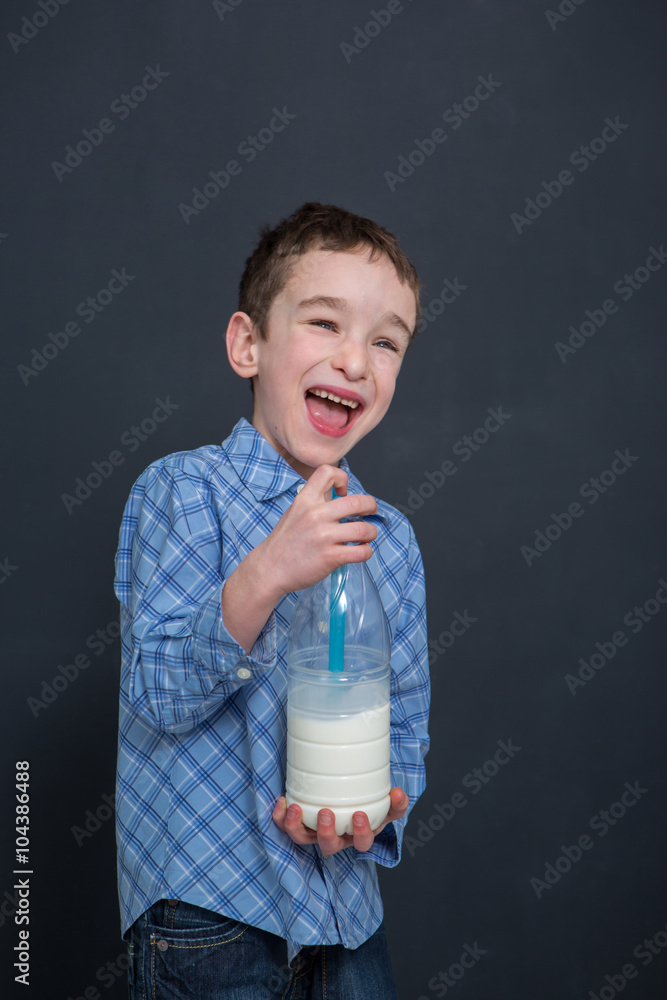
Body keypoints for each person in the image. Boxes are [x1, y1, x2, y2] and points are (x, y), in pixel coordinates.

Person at [114, 202, 431, 999]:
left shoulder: (387, 539)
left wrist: (377, 807)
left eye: (385, 341)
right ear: (248, 344)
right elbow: (158, 691)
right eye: (325, 323)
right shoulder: (183, 492)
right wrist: (267, 572)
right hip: (208, 917)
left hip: (345, 917)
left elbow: (405, 722)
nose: (356, 360)